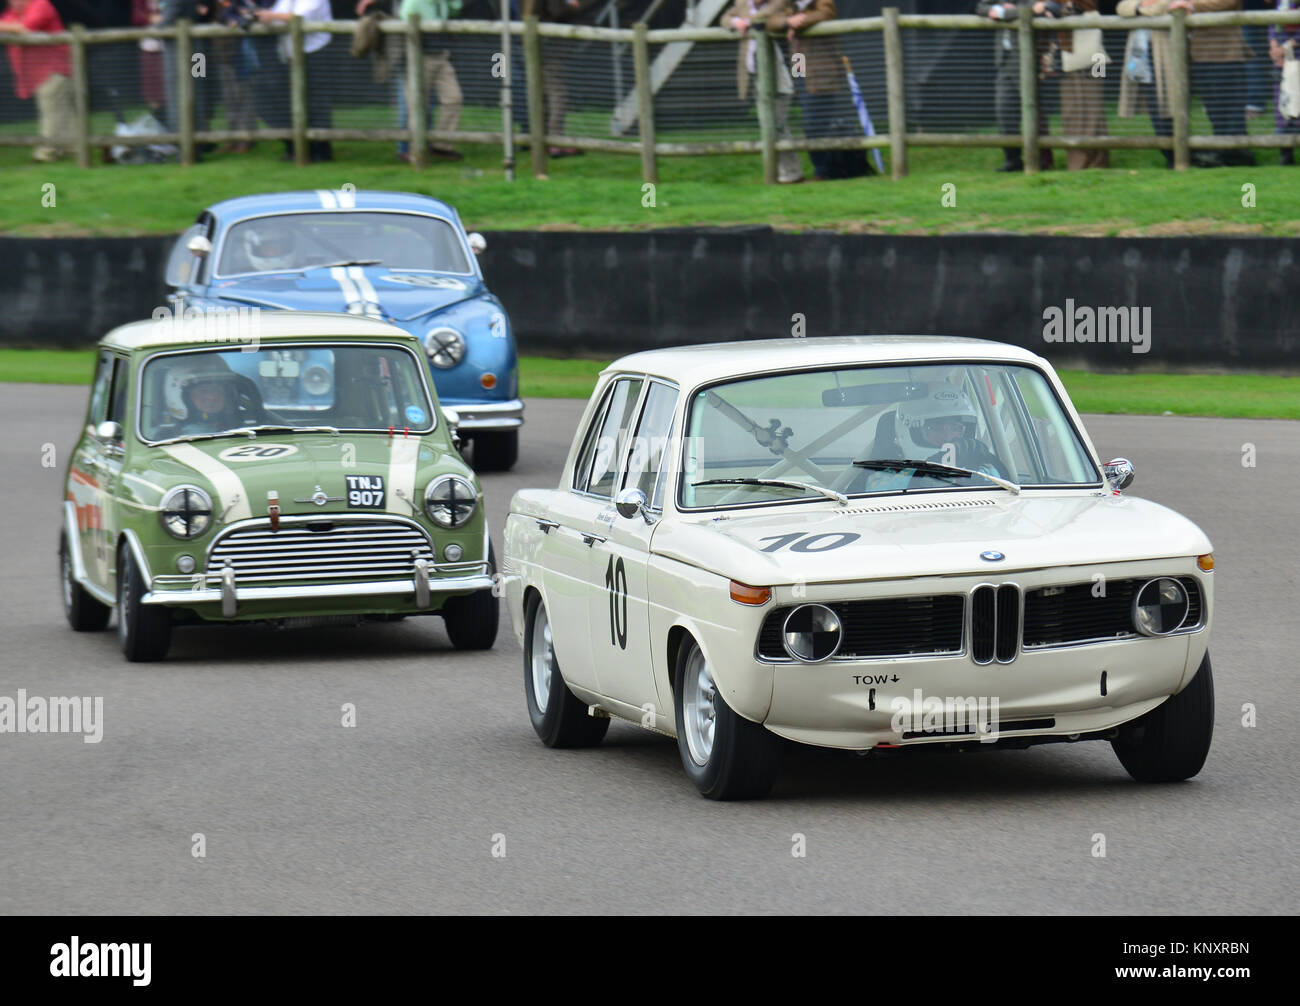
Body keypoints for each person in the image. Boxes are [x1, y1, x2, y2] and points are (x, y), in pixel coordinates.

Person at [767, 0, 870, 180]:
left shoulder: (822, 2)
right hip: (800, 70)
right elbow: (771, 20)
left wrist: (799, 23)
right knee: (812, 122)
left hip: (823, 72)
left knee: (814, 123)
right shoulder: (789, 5)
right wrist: (788, 22)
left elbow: (824, 14)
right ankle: (822, 168)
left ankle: (822, 170)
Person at [356, 0, 463, 162]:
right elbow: (406, 25)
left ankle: (442, 146)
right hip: (418, 57)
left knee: (453, 98)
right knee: (417, 105)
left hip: (441, 55)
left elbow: (455, 9)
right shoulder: (413, 3)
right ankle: (415, 151)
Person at [726, 0, 804, 183]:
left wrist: (745, 20)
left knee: (777, 125)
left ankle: (791, 173)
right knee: (769, 126)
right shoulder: (744, 5)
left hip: (783, 76)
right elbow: (727, 17)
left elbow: (773, 19)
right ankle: (782, 172)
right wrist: (734, 22)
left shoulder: (779, 4)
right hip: (760, 76)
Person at [975, 0, 1053, 171]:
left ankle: (1040, 159)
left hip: (1027, 56)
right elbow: (981, 7)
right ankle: (1012, 159)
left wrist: (1003, 13)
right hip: (1003, 59)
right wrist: (996, 9)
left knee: (1032, 109)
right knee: (1004, 110)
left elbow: (1035, 9)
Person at [256, 0, 333, 162]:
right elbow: (278, 15)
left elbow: (300, 17)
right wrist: (260, 15)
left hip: (314, 53)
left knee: (316, 103)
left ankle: (321, 151)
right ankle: (295, 148)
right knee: (289, 103)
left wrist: (270, 15)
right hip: (291, 55)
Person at [1, 0, 76, 162]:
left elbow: (26, 28)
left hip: (54, 68)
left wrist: (12, 27)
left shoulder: (41, 4)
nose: (12, 2)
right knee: (62, 110)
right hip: (37, 71)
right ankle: (73, 148)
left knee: (51, 110)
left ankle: (46, 153)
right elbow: (7, 25)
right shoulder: (14, 12)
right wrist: (13, 26)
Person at [1038, 0, 1109, 169]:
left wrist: (1051, 7)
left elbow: (1082, 6)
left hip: (1097, 57)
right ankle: (1078, 163)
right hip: (1067, 57)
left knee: (1095, 108)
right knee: (1072, 111)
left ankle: (1099, 163)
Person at [1117, 0, 1175, 166]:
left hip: (1166, 55)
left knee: (1171, 106)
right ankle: (1168, 154)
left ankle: (1179, 154)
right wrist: (1141, 7)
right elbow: (1121, 8)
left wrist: (1139, 8)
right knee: (1155, 109)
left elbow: (1163, 7)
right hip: (1142, 59)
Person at [1268, 0, 1300, 163]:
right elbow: (1272, 24)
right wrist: (1274, 47)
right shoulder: (1281, 2)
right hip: (1281, 62)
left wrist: (1286, 47)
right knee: (1282, 102)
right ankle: (1285, 153)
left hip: (1297, 55)